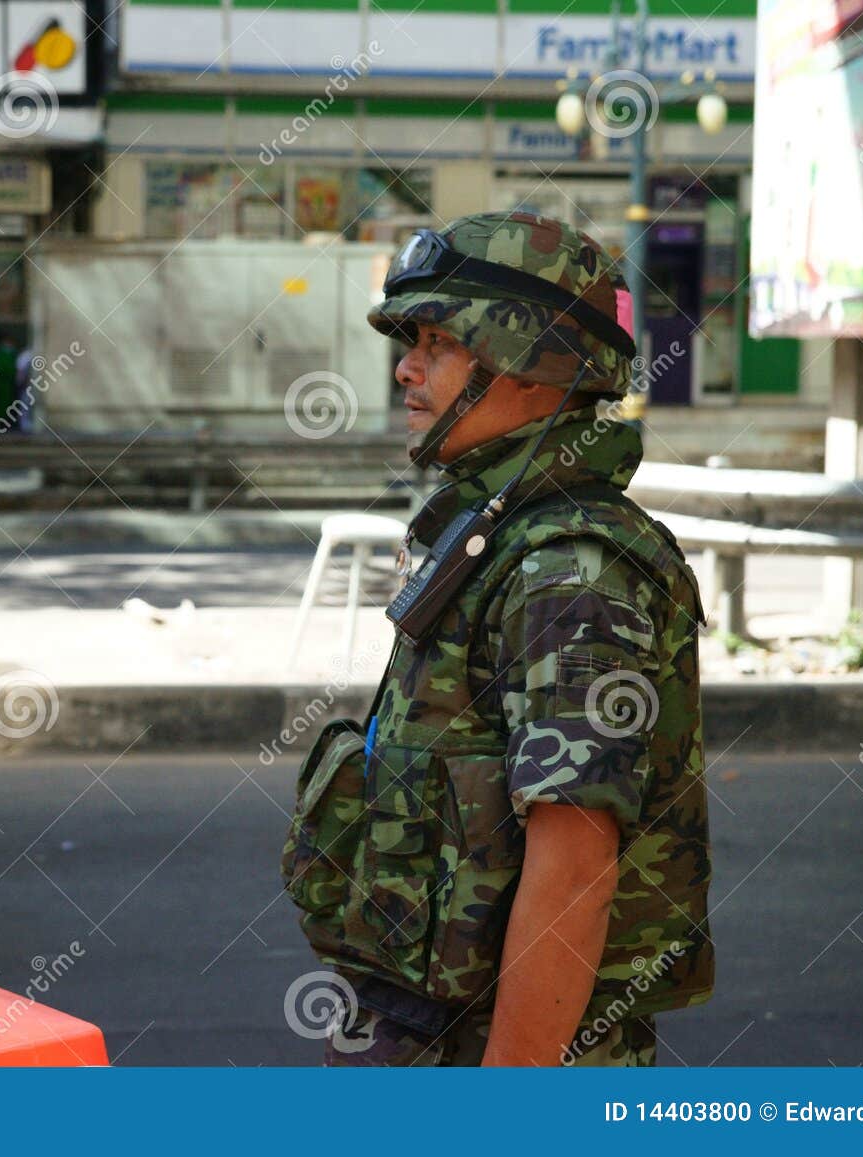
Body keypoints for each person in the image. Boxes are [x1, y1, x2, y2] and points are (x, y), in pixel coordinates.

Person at [282, 212, 714, 1066]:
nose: (406, 366)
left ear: (530, 363)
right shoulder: (496, 530)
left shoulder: (570, 569)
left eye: (438, 342)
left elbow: (573, 866)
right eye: (410, 339)